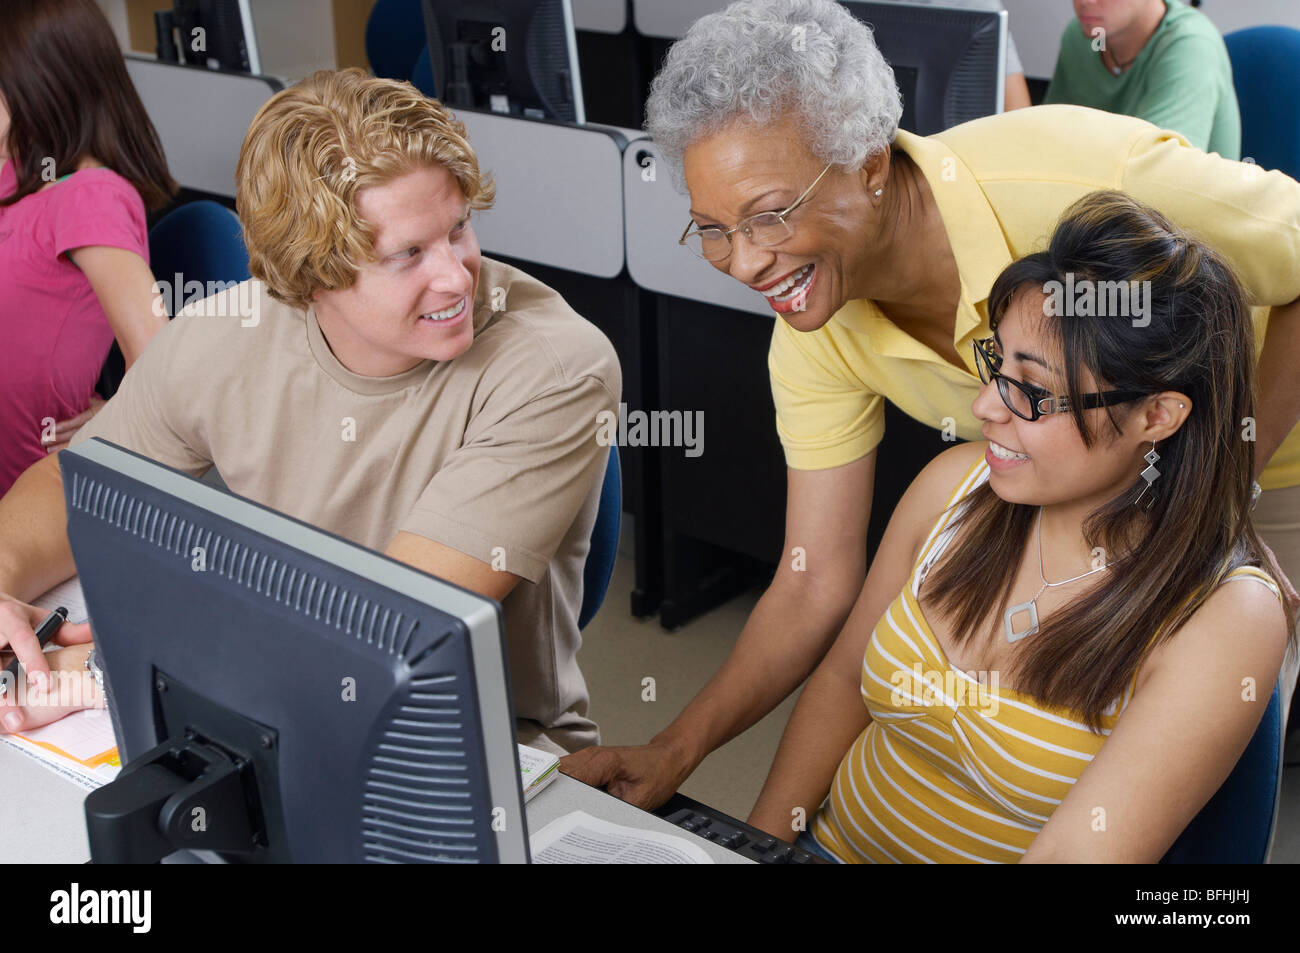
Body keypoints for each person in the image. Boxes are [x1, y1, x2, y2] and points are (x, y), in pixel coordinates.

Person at [560, 0, 1300, 807]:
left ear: (871, 165)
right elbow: (813, 579)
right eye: (711, 228)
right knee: (1041, 757)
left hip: (1268, 446)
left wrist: (1222, 491)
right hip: (1082, 481)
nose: (742, 263)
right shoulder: (817, 317)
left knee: (1206, 742)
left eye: (769, 214)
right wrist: (677, 749)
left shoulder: (1076, 174)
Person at [0, 69, 620, 756]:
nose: (455, 275)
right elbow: (72, 485)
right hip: (256, 708)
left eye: (459, 228)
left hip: (472, 750)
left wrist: (79, 670)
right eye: (408, 253)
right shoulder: (228, 331)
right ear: (313, 272)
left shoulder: (555, 368)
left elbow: (385, 630)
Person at [751, 191, 1291, 862]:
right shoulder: (955, 484)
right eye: (994, 364)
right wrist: (758, 849)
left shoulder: (1226, 615)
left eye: (1030, 392)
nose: (984, 407)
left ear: (1159, 415)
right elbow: (840, 684)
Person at [0, 0, 174, 494]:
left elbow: (158, 361)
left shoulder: (88, 196)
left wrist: (111, 418)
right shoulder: (15, 181)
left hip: (31, 494)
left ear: (43, 85)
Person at [1044, 0, 1240, 158]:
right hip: (1098, 199)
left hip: (1168, 204)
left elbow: (1155, 173)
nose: (1085, 2)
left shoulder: (1192, 48)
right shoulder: (1080, 36)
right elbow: (1050, 139)